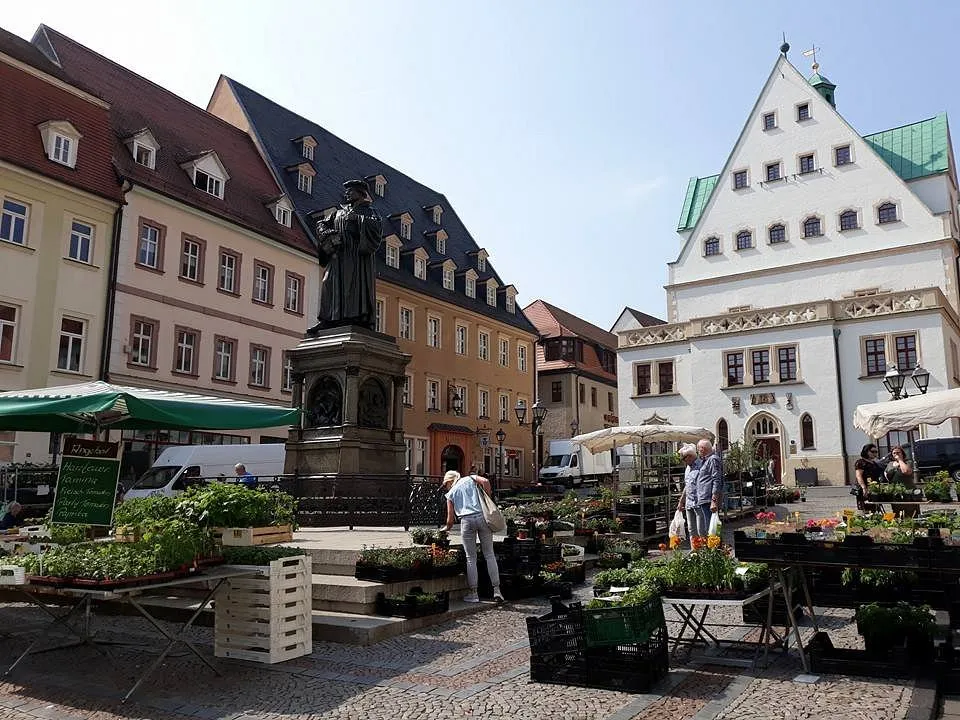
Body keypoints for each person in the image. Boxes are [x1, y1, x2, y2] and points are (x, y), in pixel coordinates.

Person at [306, 179, 382, 335]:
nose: (346, 193)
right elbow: (322, 224)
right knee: (328, 284)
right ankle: (327, 319)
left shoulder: (369, 212)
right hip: (337, 257)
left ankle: (355, 318)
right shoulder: (338, 212)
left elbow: (376, 230)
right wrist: (327, 233)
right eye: (346, 191)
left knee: (351, 287)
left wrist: (359, 221)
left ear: (360, 193)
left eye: (350, 191)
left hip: (356, 258)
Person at [442, 470, 504, 603]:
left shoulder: (450, 493)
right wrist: (488, 497)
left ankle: (473, 593)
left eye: (445, 484)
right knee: (489, 554)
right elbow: (486, 481)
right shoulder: (470, 479)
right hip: (482, 516)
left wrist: (445, 528)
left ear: (449, 481)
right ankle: (497, 591)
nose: (445, 487)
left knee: (471, 558)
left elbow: (450, 520)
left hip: (466, 521)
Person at [674, 444, 704, 543]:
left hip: (699, 503)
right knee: (691, 530)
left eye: (684, 458)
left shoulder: (701, 466)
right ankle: (695, 553)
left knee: (701, 530)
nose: (683, 461)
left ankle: (704, 553)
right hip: (689, 503)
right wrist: (681, 502)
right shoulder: (688, 468)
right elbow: (687, 486)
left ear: (690, 456)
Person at [697, 439, 724, 520]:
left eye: (698, 449)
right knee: (709, 529)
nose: (698, 451)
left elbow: (717, 479)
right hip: (704, 499)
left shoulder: (713, 459)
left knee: (712, 529)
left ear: (702, 449)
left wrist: (714, 500)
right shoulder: (705, 460)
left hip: (709, 500)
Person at [853, 443, 885, 509]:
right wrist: (864, 488)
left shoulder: (874, 463)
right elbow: (859, 476)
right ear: (866, 451)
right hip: (864, 488)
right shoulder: (861, 462)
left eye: (876, 452)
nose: (875, 453)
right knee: (865, 508)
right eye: (872, 451)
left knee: (874, 508)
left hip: (874, 489)